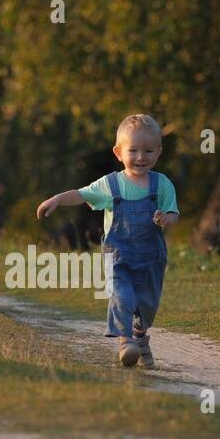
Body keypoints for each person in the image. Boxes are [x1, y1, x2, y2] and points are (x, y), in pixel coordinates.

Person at [36, 114, 179, 368]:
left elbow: (173, 214)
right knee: (122, 297)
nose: (140, 157)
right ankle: (126, 342)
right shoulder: (110, 184)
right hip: (119, 257)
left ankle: (140, 337)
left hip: (151, 260)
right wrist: (57, 199)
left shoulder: (162, 184)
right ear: (118, 152)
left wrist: (165, 219)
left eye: (148, 151)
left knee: (147, 305)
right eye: (133, 150)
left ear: (158, 151)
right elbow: (81, 194)